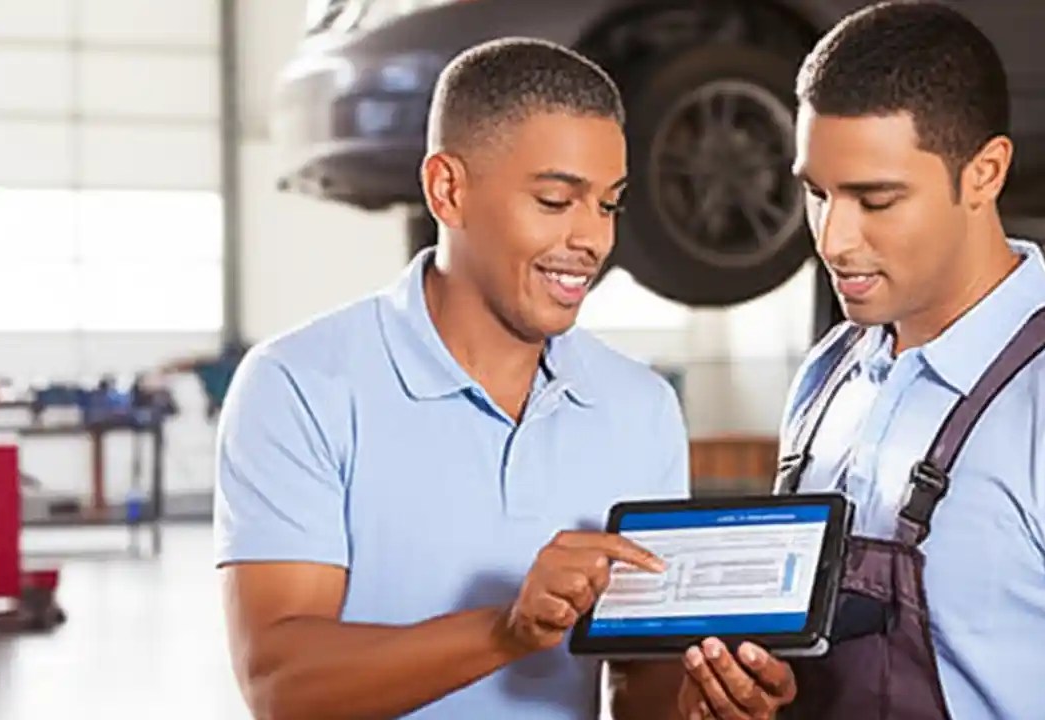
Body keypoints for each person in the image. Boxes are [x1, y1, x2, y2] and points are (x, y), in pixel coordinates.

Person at [690, 2, 1045, 718]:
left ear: (984, 173)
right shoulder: (826, 383)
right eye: (817, 193)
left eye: (876, 199)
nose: (834, 239)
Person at [213, 38, 780, 720]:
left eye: (608, 205)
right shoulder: (298, 385)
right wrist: (504, 630)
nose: (592, 240)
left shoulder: (640, 407)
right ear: (447, 189)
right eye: (554, 200)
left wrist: (708, 700)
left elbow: (637, 685)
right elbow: (282, 685)